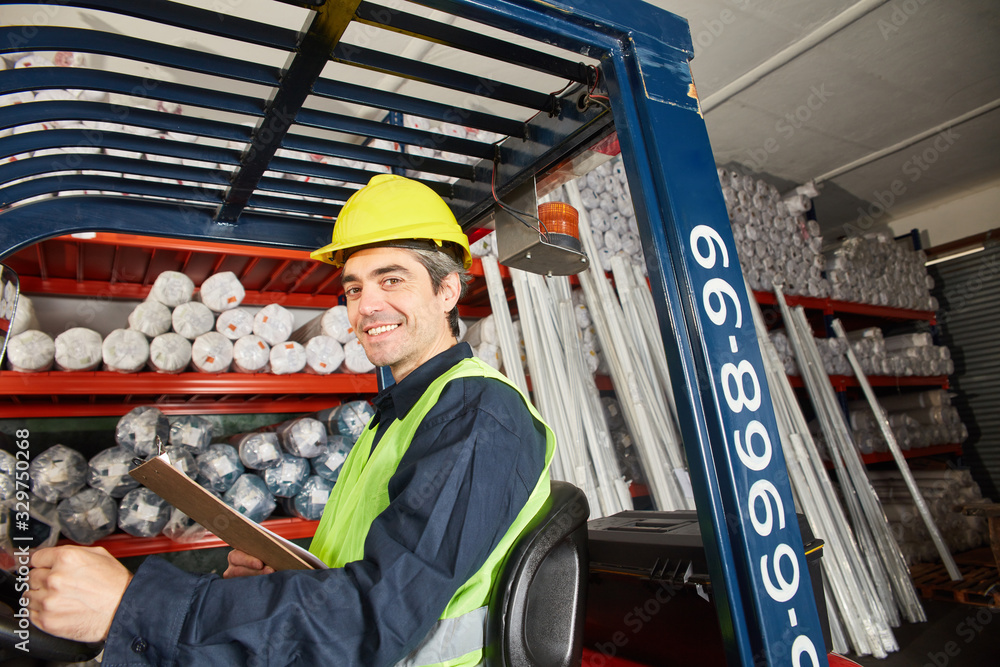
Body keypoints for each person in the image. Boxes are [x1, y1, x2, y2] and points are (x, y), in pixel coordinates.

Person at [26, 174, 556, 666]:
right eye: (353, 288)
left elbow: (376, 616)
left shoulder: (474, 415)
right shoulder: (402, 410)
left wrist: (134, 606)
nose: (367, 305)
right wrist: (283, 575)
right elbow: (369, 567)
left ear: (447, 291)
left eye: (391, 280)